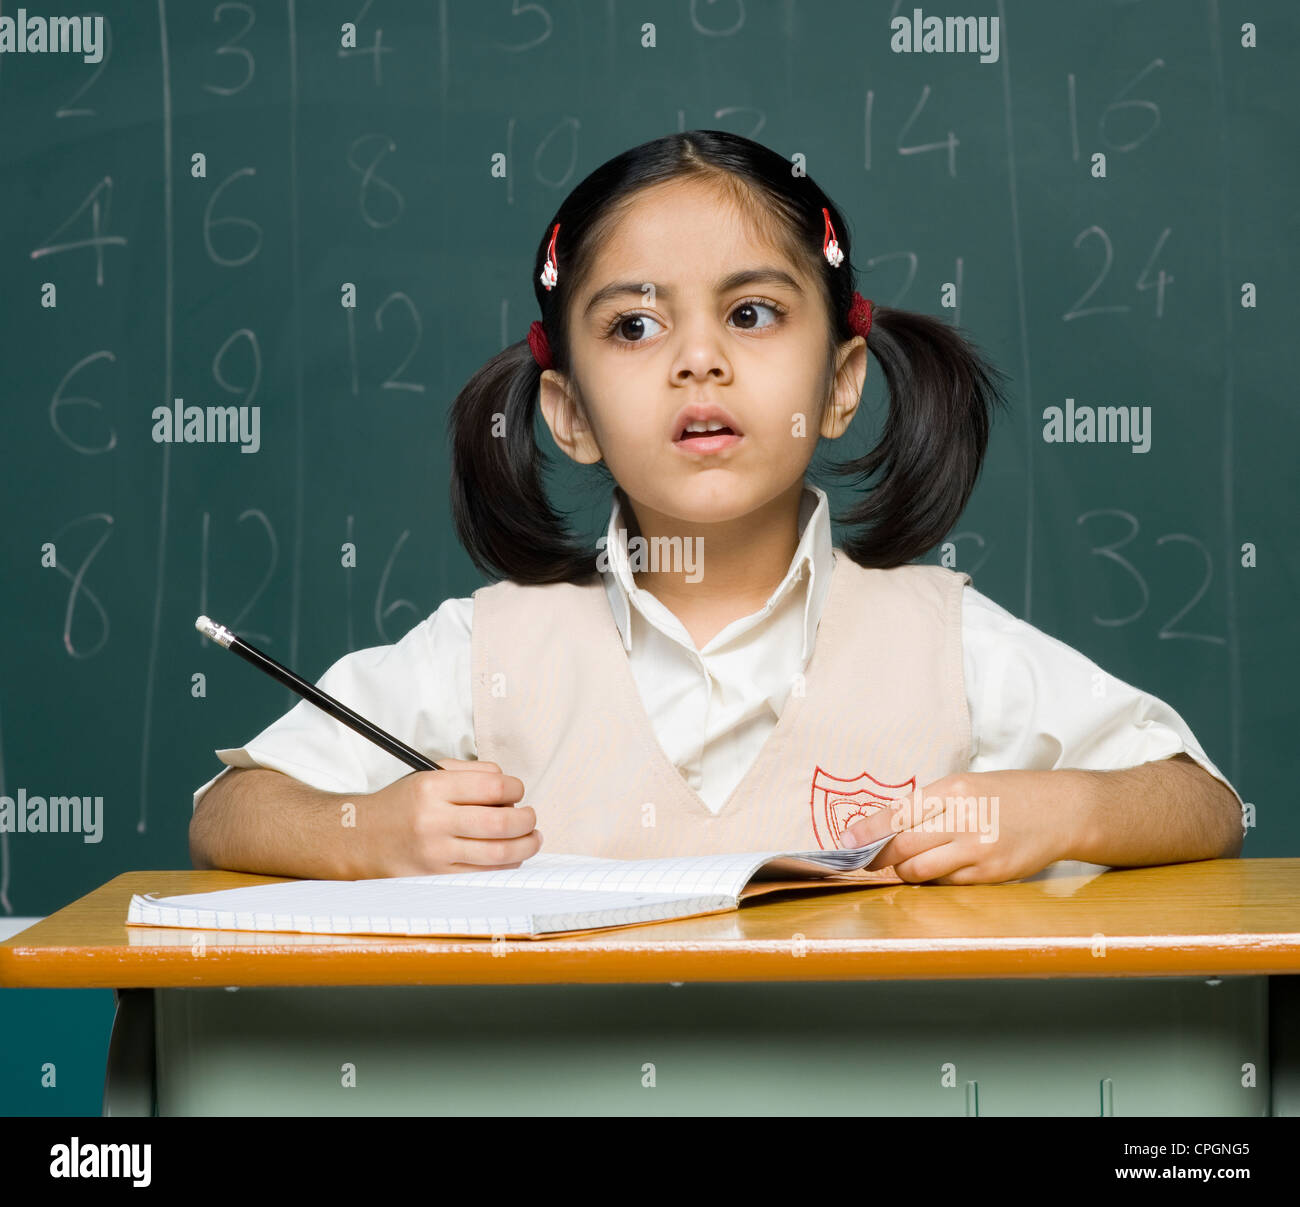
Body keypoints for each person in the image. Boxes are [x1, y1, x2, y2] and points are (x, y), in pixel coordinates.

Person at [190, 130, 1245, 885]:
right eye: (635, 328)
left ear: (838, 386)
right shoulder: (485, 651)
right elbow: (229, 813)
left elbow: (1200, 800)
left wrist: (1064, 806)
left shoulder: (944, 639)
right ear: (568, 414)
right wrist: (365, 829)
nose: (699, 359)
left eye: (751, 313)